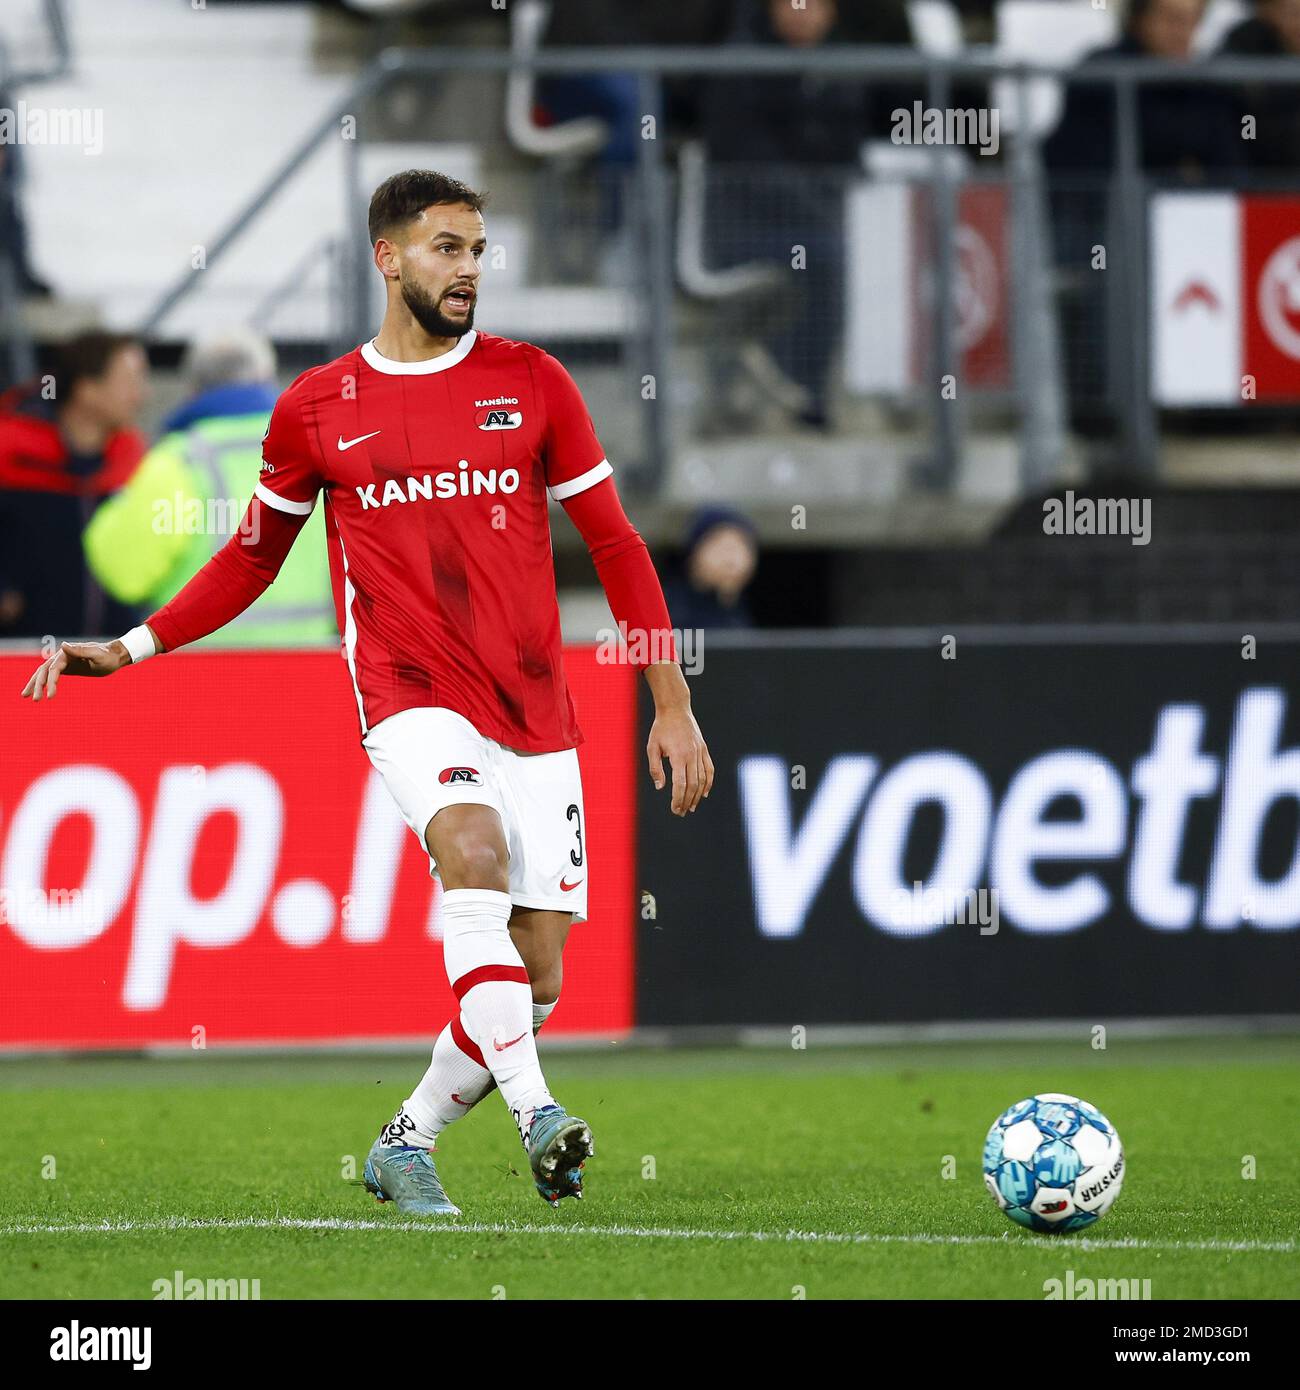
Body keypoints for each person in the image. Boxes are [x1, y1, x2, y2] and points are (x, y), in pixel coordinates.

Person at [20, 169, 713, 1217]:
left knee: (536, 979)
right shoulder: (316, 409)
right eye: (446, 248)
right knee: (469, 850)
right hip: (407, 688)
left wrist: (670, 700)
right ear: (388, 258)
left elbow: (615, 544)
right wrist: (132, 645)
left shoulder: (533, 384)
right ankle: (538, 1113)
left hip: (535, 701)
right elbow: (251, 558)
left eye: (478, 250)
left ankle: (405, 1142)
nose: (468, 270)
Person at [83, 329, 336, 649]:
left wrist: (114, 506)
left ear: (194, 390)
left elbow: (124, 571)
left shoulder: (180, 460)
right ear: (267, 378)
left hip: (202, 672)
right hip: (309, 665)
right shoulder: (318, 453)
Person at [0, 331, 149, 639]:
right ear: (86, 389)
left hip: (114, 657)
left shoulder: (135, 461)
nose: (140, 396)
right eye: (128, 382)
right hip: (21, 656)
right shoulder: (11, 453)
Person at [1045, 0, 1243, 178]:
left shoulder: (1207, 87)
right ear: (1139, 19)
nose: (1182, 33)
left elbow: (1229, 167)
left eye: (1191, 21)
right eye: (1171, 19)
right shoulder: (1101, 75)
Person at [1219, 0, 1300, 173]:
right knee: (1247, 124)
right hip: (1258, 132)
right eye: (1292, 13)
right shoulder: (1249, 37)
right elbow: (1225, 74)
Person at [664, 506, 759, 631]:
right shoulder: (668, 609)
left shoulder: (738, 613)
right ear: (695, 553)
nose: (731, 561)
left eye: (740, 548)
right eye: (721, 548)